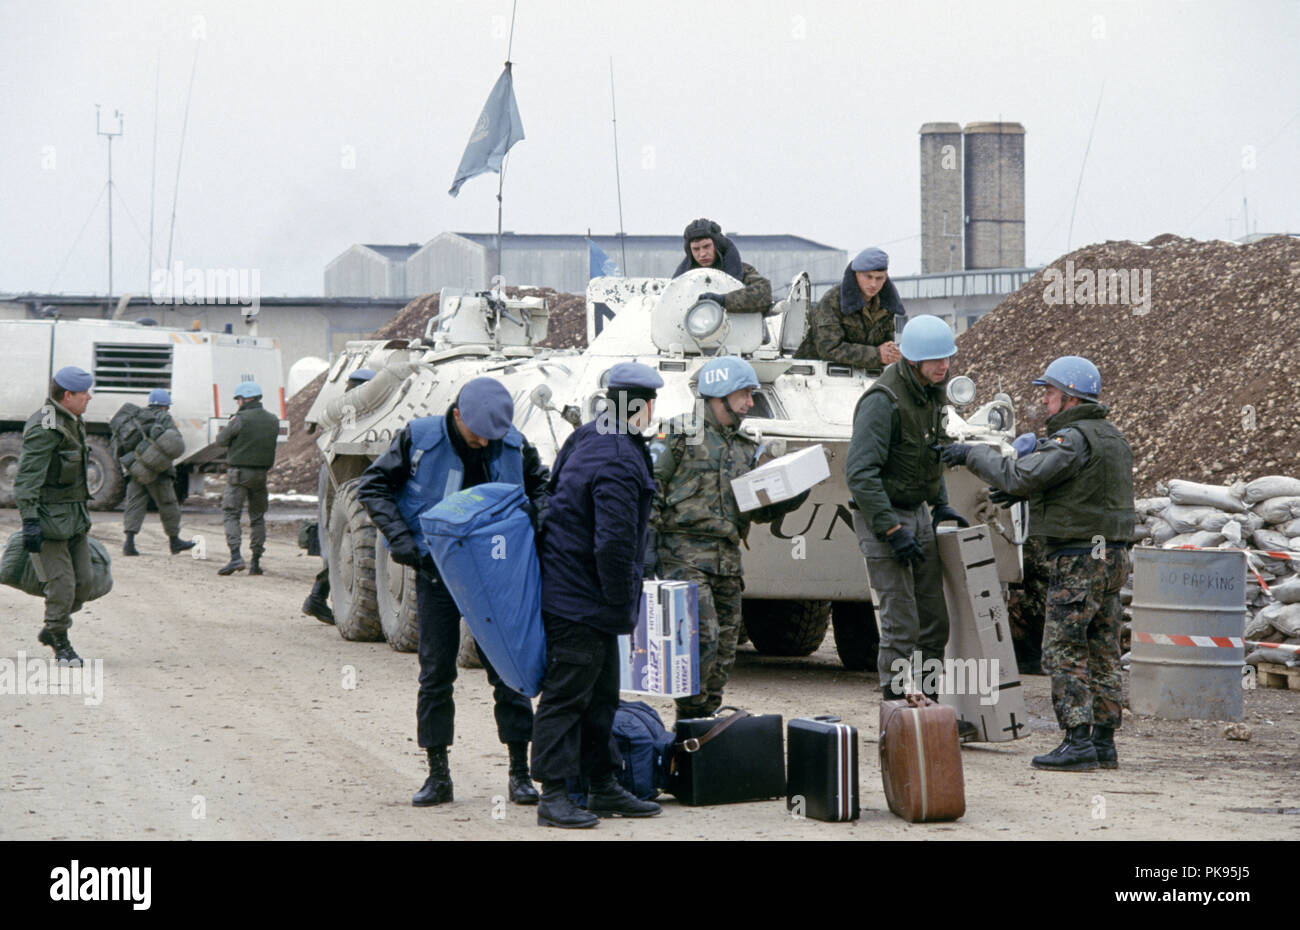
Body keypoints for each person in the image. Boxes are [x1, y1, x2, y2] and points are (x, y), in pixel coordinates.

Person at [356, 376, 550, 807]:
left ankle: (521, 774)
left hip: (497, 576)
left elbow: (541, 488)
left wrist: (536, 525)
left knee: (510, 673)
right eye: (477, 434)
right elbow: (372, 486)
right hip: (437, 573)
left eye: (492, 436)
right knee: (436, 674)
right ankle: (438, 775)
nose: (484, 443)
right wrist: (403, 542)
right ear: (457, 414)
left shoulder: (512, 443)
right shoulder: (419, 439)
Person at [940, 356, 1135, 771]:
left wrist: (970, 454)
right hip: (1113, 558)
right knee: (1103, 649)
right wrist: (1024, 494)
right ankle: (1103, 742)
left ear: (1068, 398)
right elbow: (1080, 489)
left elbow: (1018, 476)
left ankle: (1076, 741)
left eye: (1048, 393)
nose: (1043, 400)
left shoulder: (1073, 439)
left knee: (1063, 648)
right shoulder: (1113, 438)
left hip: (1079, 558)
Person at [530, 362, 665, 828]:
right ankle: (554, 795)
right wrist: (618, 602)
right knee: (567, 696)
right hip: (584, 600)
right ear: (643, 407)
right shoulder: (620, 457)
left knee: (601, 696)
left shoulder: (587, 436)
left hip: (574, 591)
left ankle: (601, 784)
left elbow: (550, 495)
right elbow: (613, 542)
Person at [650, 356, 808, 721]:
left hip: (727, 560)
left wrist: (793, 493)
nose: (750, 402)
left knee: (723, 653)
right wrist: (647, 552)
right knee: (698, 644)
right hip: (683, 557)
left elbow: (758, 510)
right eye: (744, 394)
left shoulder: (745, 447)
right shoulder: (677, 433)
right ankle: (687, 722)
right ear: (719, 394)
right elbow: (650, 490)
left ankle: (702, 729)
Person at [844, 315, 977, 741]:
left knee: (933, 623)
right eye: (935, 360)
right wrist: (889, 530)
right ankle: (898, 715)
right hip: (884, 515)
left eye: (947, 359)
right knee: (900, 624)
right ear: (915, 361)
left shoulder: (930, 395)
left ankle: (930, 711)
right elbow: (861, 474)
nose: (944, 367)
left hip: (917, 514)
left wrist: (940, 506)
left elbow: (930, 455)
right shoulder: (882, 400)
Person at [15, 366, 95, 666]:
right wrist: (30, 521)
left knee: (85, 583)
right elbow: (26, 478)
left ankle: (52, 627)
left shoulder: (73, 420)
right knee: (62, 585)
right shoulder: (47, 426)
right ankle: (61, 641)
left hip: (74, 517)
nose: (90, 397)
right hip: (49, 521)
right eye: (84, 392)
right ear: (67, 395)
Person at [302, 368, 376, 624]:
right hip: (343, 480)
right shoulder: (354, 411)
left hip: (337, 479)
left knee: (337, 539)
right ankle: (318, 597)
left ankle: (319, 597)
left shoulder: (341, 409)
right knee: (342, 540)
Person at [795, 247, 905, 371]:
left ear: (885, 278)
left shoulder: (886, 305)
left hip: (862, 375)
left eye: (879, 278)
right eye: (868, 277)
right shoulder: (833, 301)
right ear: (856, 274)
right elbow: (828, 349)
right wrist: (877, 354)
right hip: (815, 375)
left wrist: (891, 353)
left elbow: (886, 344)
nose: (873, 284)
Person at [213, 382, 280, 576]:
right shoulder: (273, 419)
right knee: (257, 518)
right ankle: (256, 562)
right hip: (261, 476)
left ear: (244, 399)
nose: (238, 403)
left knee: (231, 514)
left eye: (238, 399)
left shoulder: (239, 419)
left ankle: (235, 557)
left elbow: (220, 441)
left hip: (239, 475)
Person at [118, 389, 196, 557]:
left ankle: (129, 543)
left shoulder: (137, 418)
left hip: (136, 470)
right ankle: (175, 541)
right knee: (168, 504)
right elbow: (174, 442)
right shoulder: (164, 417)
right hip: (158, 472)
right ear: (165, 405)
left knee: (134, 504)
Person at [673, 217, 773, 316]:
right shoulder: (682, 278)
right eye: (696, 249)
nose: (702, 254)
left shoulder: (742, 271)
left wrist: (724, 300)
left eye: (706, 246)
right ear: (690, 251)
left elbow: (764, 292)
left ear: (717, 245)